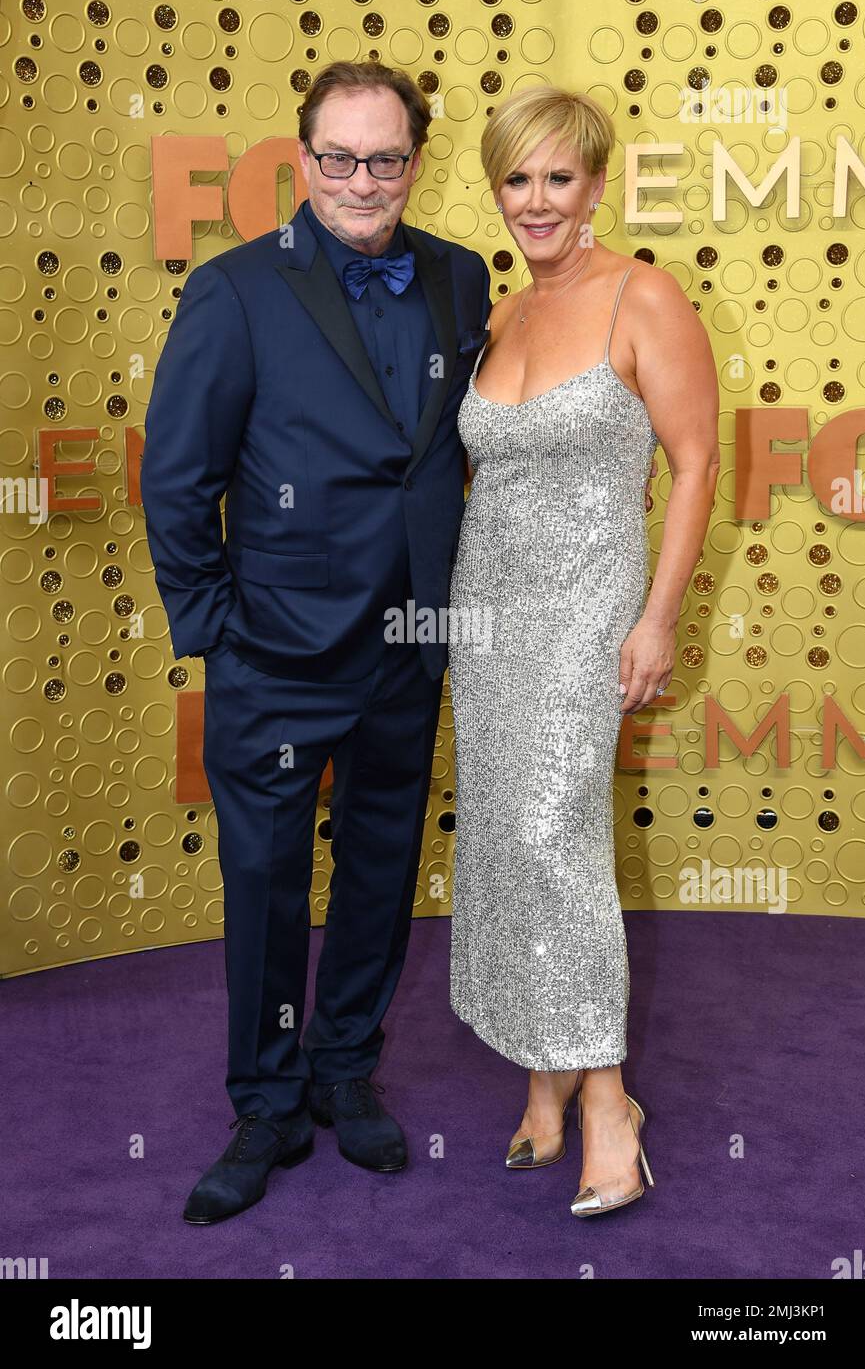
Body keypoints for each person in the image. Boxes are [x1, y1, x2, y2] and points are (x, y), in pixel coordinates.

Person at [140, 59, 494, 1224]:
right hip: (275, 655)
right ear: (303, 163)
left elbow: (442, 455)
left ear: (413, 161)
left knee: (383, 871)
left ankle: (346, 1067)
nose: (360, 180)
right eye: (337, 158)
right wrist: (216, 630)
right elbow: (179, 477)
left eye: (384, 157)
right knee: (267, 883)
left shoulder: (458, 276)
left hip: (412, 640)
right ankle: (266, 1098)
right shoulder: (236, 290)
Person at [447, 86, 719, 1217]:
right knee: (506, 842)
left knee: (556, 832)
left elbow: (697, 463)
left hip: (585, 610)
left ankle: (608, 1097)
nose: (537, 201)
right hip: (486, 612)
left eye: (560, 177)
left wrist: (656, 617)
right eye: (517, 179)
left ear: (597, 185)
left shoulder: (643, 299)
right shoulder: (500, 315)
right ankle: (542, 1073)